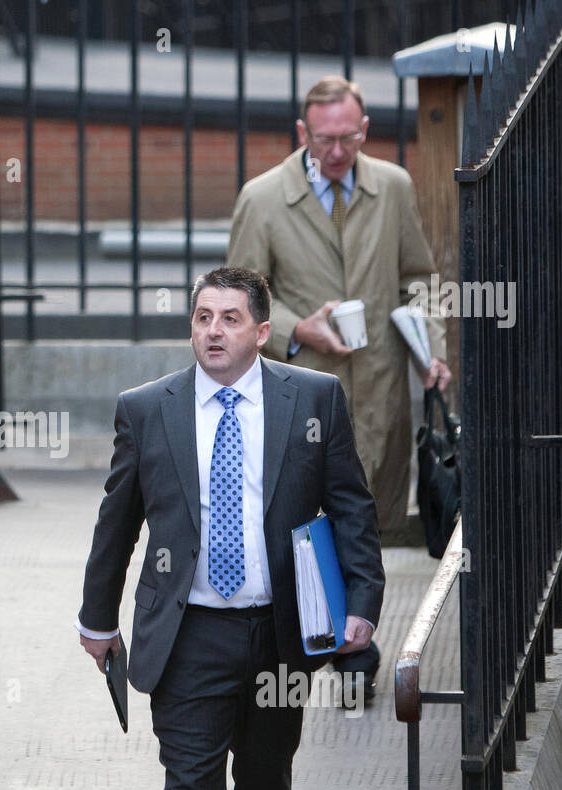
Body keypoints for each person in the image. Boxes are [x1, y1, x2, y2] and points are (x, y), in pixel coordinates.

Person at [76, 267, 384, 790]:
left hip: (280, 633)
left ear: (262, 331)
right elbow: (117, 522)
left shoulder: (313, 399)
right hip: (188, 634)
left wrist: (362, 604)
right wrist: (97, 619)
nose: (214, 331)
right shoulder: (145, 410)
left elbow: (352, 506)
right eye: (203, 318)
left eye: (231, 319)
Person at [226, 76, 449, 695]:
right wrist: (300, 330)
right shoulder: (263, 198)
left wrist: (433, 349)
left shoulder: (394, 188)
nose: (337, 150)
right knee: (303, 519)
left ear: (365, 129)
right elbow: (238, 300)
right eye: (324, 138)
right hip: (297, 390)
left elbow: (418, 281)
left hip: (377, 390)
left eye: (349, 136)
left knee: (365, 518)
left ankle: (355, 637)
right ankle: (326, 643)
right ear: (302, 134)